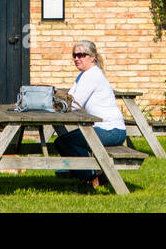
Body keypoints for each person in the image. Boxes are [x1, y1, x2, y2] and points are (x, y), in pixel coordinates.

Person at [54, 39, 127, 187]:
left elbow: (74, 104)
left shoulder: (93, 75)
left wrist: (55, 105)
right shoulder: (84, 75)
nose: (76, 58)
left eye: (81, 55)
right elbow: (70, 98)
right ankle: (85, 174)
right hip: (106, 129)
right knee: (64, 141)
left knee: (65, 141)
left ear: (92, 57)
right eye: (74, 55)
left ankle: (90, 178)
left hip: (112, 131)